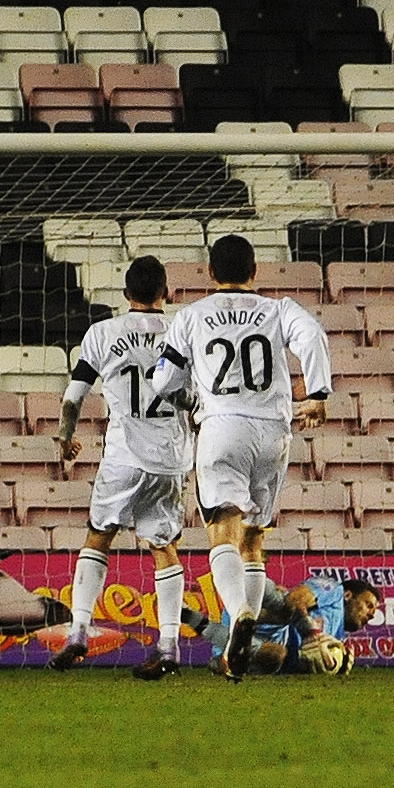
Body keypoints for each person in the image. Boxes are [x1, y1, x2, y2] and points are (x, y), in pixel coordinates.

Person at [150, 233, 333, 681]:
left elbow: (161, 381)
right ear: (255, 272)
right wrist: (319, 391)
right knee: (253, 539)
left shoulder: (191, 315)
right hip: (274, 432)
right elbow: (312, 334)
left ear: (210, 274)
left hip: (222, 428)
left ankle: (239, 618)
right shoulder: (277, 309)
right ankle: (242, 636)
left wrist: (190, 398)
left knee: (222, 534)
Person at [45, 255, 195, 679]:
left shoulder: (102, 334)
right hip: (169, 459)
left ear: (126, 294)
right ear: (166, 292)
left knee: (98, 538)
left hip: (122, 458)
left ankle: (77, 633)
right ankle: (168, 646)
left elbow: (72, 398)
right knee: (164, 548)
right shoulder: (182, 332)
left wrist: (65, 437)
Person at [187, 575, 381, 676]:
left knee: (276, 656)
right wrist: (311, 633)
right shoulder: (334, 590)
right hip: (261, 620)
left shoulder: (338, 638)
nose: (371, 614)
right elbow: (296, 598)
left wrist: (333, 667)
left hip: (265, 650)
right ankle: (248, 584)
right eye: (369, 605)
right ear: (349, 595)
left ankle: (222, 659)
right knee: (285, 606)